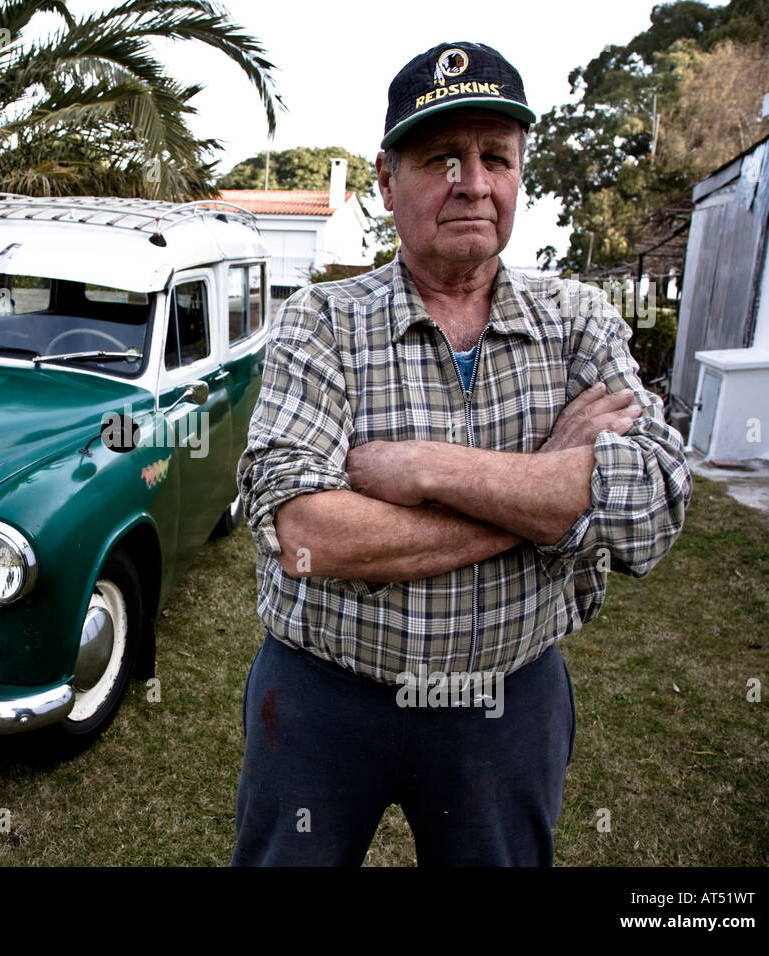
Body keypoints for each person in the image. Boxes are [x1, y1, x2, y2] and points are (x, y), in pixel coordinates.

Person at [231, 41, 692, 866]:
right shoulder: (321, 321)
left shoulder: (577, 319)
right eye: (441, 156)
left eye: (495, 158)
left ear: (518, 177)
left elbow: (654, 506)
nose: (472, 181)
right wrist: (549, 487)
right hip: (324, 698)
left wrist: (430, 470)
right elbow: (306, 532)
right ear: (385, 179)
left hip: (506, 705)